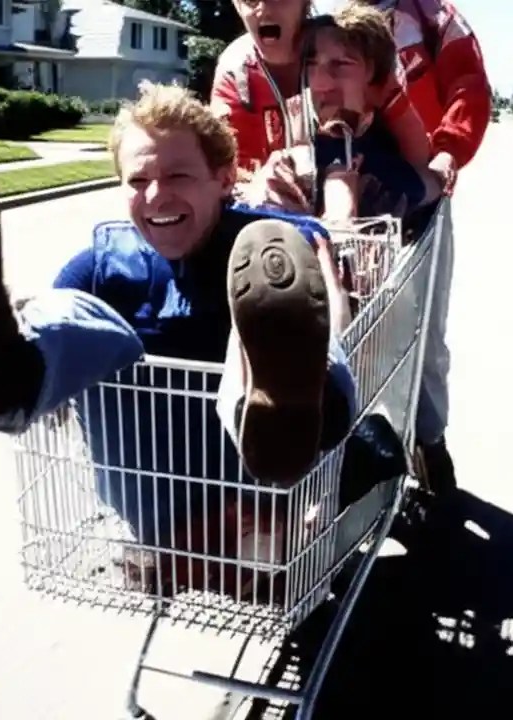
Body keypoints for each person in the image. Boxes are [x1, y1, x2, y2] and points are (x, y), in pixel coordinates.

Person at [0, 82, 359, 597]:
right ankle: (3, 374)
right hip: (156, 488)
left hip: (265, 473)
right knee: (76, 314)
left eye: (178, 175)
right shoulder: (101, 264)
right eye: (138, 180)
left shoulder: (273, 243)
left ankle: (290, 408)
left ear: (225, 178)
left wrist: (324, 281)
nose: (157, 195)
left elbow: (336, 314)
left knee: (276, 318)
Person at [359, 0, 493, 494]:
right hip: (349, 196)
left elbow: (469, 90)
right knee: (356, 336)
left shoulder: (436, 19)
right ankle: (364, 461)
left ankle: (429, 442)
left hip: (421, 198)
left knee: (423, 336)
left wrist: (443, 155)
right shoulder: (329, 18)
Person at [211, 0, 432, 213]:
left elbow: (415, 148)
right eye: (249, 0)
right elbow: (225, 175)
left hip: (365, 185)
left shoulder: (347, 44)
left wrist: (429, 181)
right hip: (277, 208)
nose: (264, 10)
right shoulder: (234, 73)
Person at [303, 1, 444, 223]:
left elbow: (426, 176)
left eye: (340, 64)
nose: (320, 82)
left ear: (374, 73)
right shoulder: (299, 136)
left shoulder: (384, 146)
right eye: (311, 64)